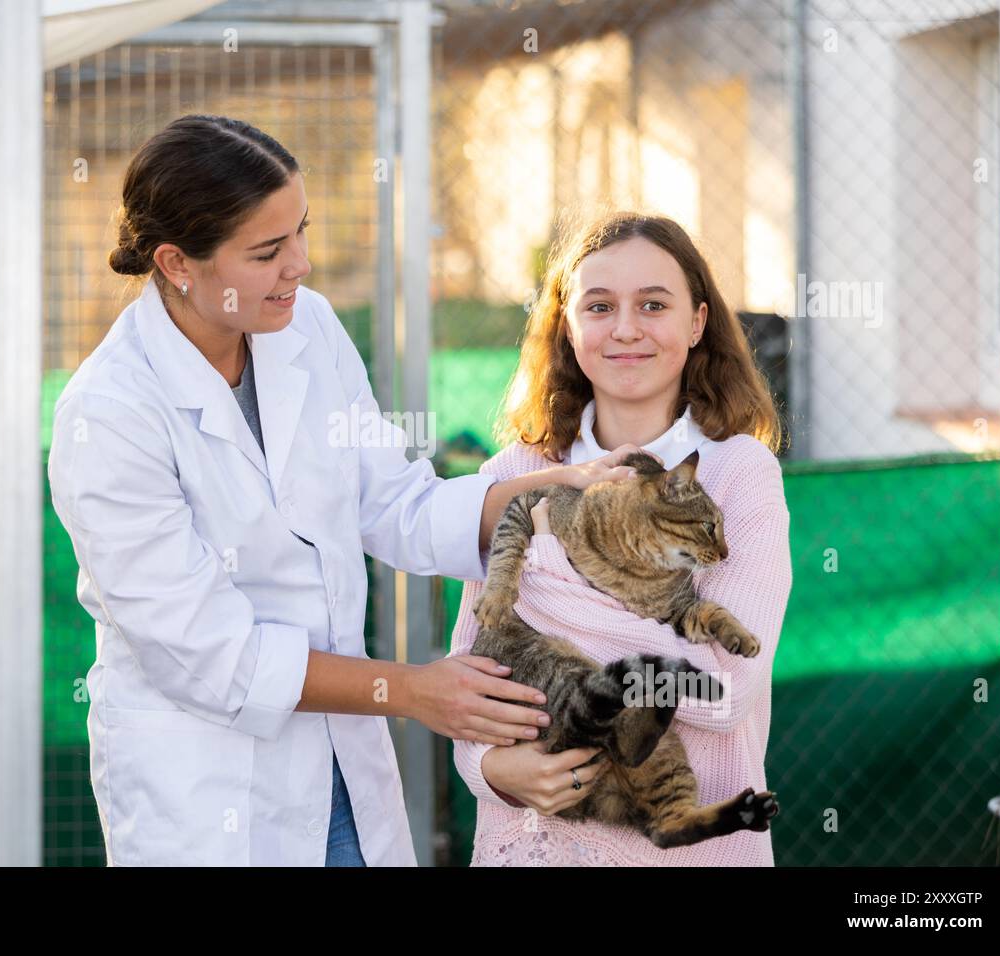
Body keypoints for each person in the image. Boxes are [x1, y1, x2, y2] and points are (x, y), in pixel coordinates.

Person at [46, 115, 643, 866]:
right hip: (210, 795)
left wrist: (546, 496)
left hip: (344, 775)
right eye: (267, 251)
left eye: (300, 231)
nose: (299, 264)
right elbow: (210, 654)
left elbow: (392, 501)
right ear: (177, 263)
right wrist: (411, 691)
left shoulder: (307, 329)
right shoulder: (109, 415)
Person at [449, 211, 792, 866]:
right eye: (599, 306)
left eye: (653, 305)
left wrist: (546, 576)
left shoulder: (740, 474)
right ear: (567, 325)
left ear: (695, 322)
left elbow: (720, 692)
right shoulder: (512, 475)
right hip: (531, 849)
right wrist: (489, 768)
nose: (627, 328)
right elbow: (472, 676)